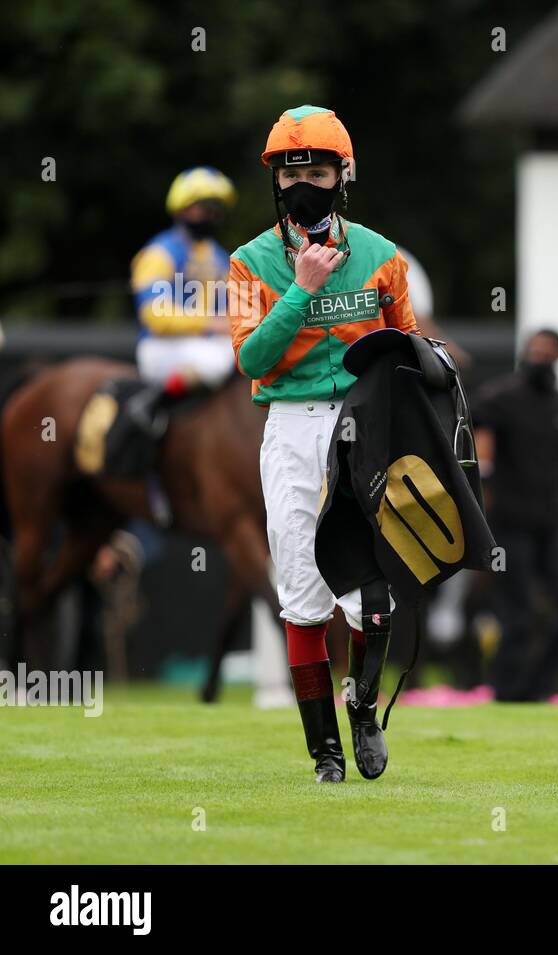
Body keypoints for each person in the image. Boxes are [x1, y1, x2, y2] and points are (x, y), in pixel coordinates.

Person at [226, 105, 421, 783]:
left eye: (315, 169)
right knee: (303, 596)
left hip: (364, 427)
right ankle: (324, 754)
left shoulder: (381, 256)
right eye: (290, 171)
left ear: (344, 175)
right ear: (275, 181)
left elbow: (410, 343)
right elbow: (253, 359)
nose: (302, 182)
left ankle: (363, 706)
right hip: (292, 428)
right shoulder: (250, 263)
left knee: (374, 598)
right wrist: (302, 291)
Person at [474, 328, 558, 701]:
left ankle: (538, 684)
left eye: (547, 352)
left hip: (553, 526)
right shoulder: (503, 398)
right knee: (518, 617)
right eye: (534, 351)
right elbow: (463, 422)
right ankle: (505, 691)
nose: (539, 358)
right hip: (511, 525)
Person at [131, 167, 238, 393]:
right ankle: (155, 401)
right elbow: (154, 316)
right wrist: (212, 323)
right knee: (217, 361)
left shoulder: (219, 256)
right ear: (182, 208)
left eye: (217, 208)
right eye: (205, 207)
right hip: (161, 346)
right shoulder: (160, 253)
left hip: (208, 344)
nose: (212, 215)